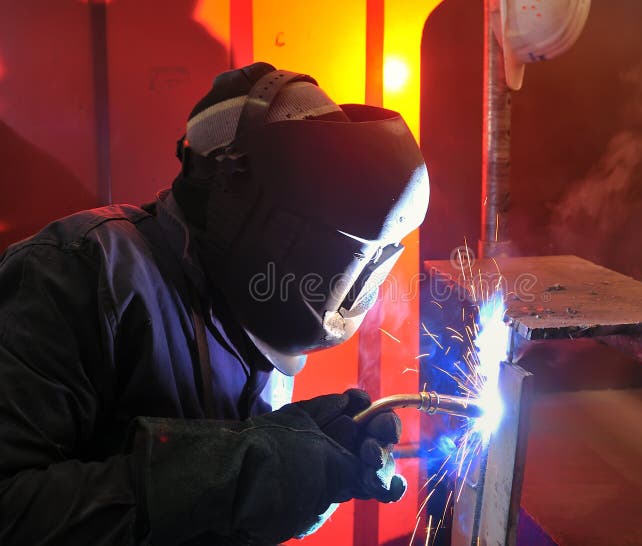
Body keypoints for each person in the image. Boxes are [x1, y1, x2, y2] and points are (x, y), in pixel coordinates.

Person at [0, 62, 430, 545]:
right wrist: (241, 474)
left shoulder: (255, 306)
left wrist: (298, 470)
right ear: (228, 187)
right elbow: (10, 510)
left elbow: (220, 500)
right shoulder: (74, 272)